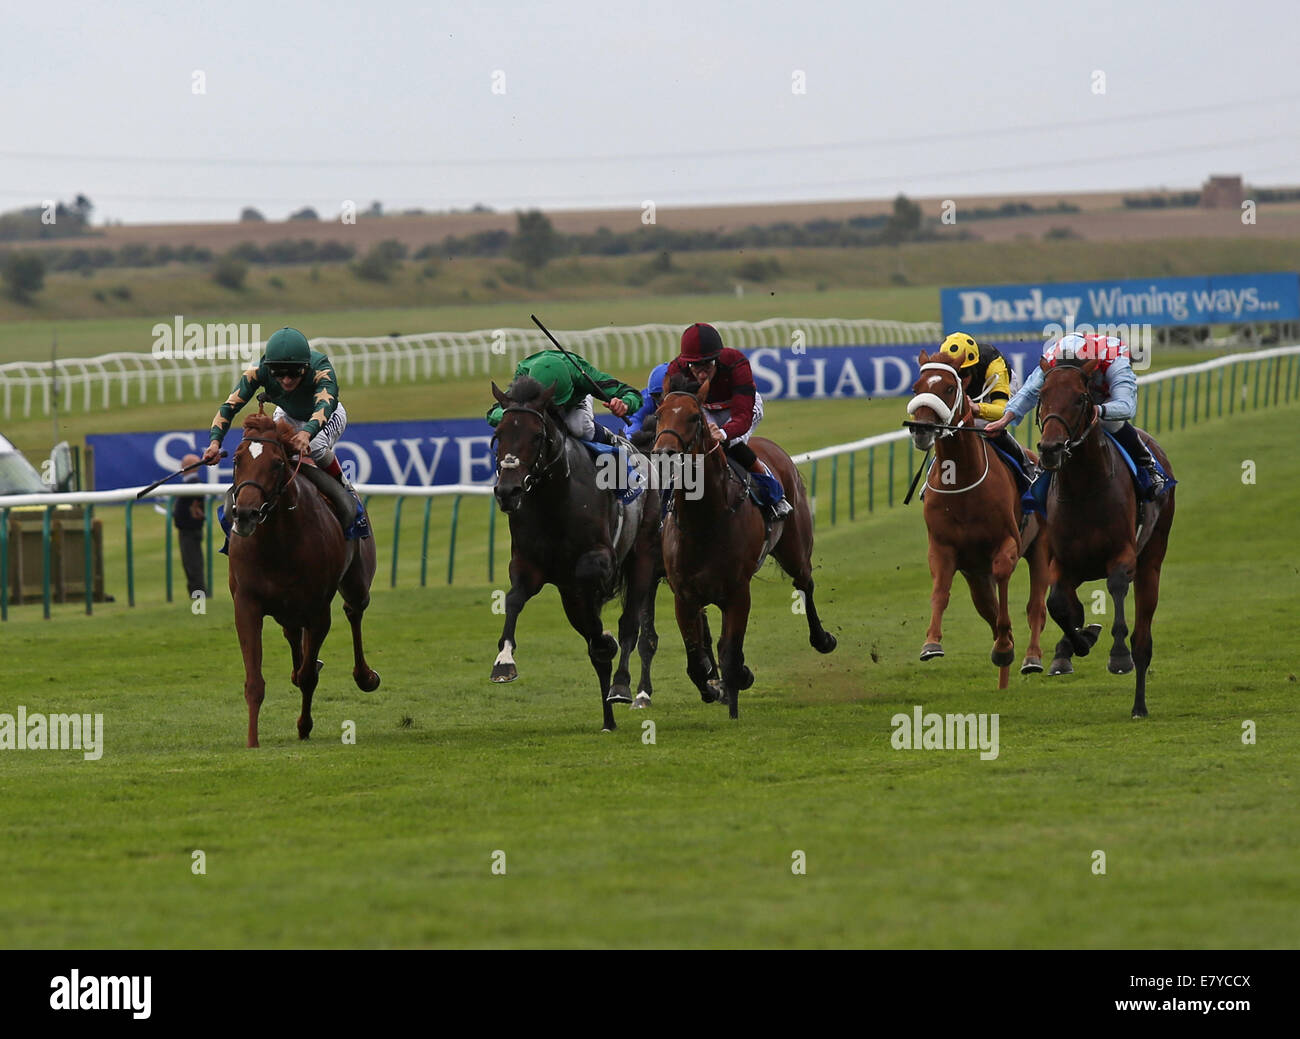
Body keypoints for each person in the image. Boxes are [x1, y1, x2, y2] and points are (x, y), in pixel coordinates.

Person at [201, 326, 368, 538]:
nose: (287, 380)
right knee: (270, 448)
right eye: (279, 374)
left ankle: (346, 490)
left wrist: (306, 433)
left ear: (305, 367)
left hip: (328, 414)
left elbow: (324, 406)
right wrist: (215, 443)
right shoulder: (256, 370)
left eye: (294, 373)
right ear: (269, 368)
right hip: (287, 413)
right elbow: (229, 407)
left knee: (314, 446)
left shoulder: (321, 368)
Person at [984, 331, 1168, 499]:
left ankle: (1148, 466)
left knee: (1111, 423)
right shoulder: (1052, 358)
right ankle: (1041, 473)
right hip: (1072, 395)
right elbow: (1029, 392)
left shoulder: (1113, 357)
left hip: (1102, 394)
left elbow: (1127, 406)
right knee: (1055, 424)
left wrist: (1098, 410)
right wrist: (1004, 420)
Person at [664, 322, 791, 519]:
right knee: (690, 448)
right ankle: (669, 499)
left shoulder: (736, 363)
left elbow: (742, 417)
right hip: (706, 409)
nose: (702, 373)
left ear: (716, 359)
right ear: (687, 362)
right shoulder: (677, 369)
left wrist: (723, 433)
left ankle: (775, 495)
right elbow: (674, 410)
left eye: (707, 365)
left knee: (731, 445)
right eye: (696, 367)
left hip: (741, 408)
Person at [486, 349, 641, 445]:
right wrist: (517, 414)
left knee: (578, 426)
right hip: (535, 407)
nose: (557, 409)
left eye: (559, 403)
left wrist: (625, 404)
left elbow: (632, 394)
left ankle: (612, 440)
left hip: (575, 402)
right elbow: (493, 414)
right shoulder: (524, 378)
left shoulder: (581, 374)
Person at [934, 331, 1033, 472]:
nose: (959, 381)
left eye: (963, 375)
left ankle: (1027, 468)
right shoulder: (939, 370)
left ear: (973, 368)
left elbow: (1003, 411)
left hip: (996, 388)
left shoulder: (994, 365)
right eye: (955, 375)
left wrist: (978, 409)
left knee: (984, 426)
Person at [172, 453, 207, 597]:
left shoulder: (193, 485)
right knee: (192, 564)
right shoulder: (193, 484)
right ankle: (197, 595)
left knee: (193, 565)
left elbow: (193, 510)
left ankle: (199, 598)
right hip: (190, 529)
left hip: (189, 530)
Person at [624, 361, 669, 439]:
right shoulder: (643, 403)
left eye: (666, 396)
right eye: (656, 396)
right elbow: (630, 436)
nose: (661, 401)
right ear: (650, 395)